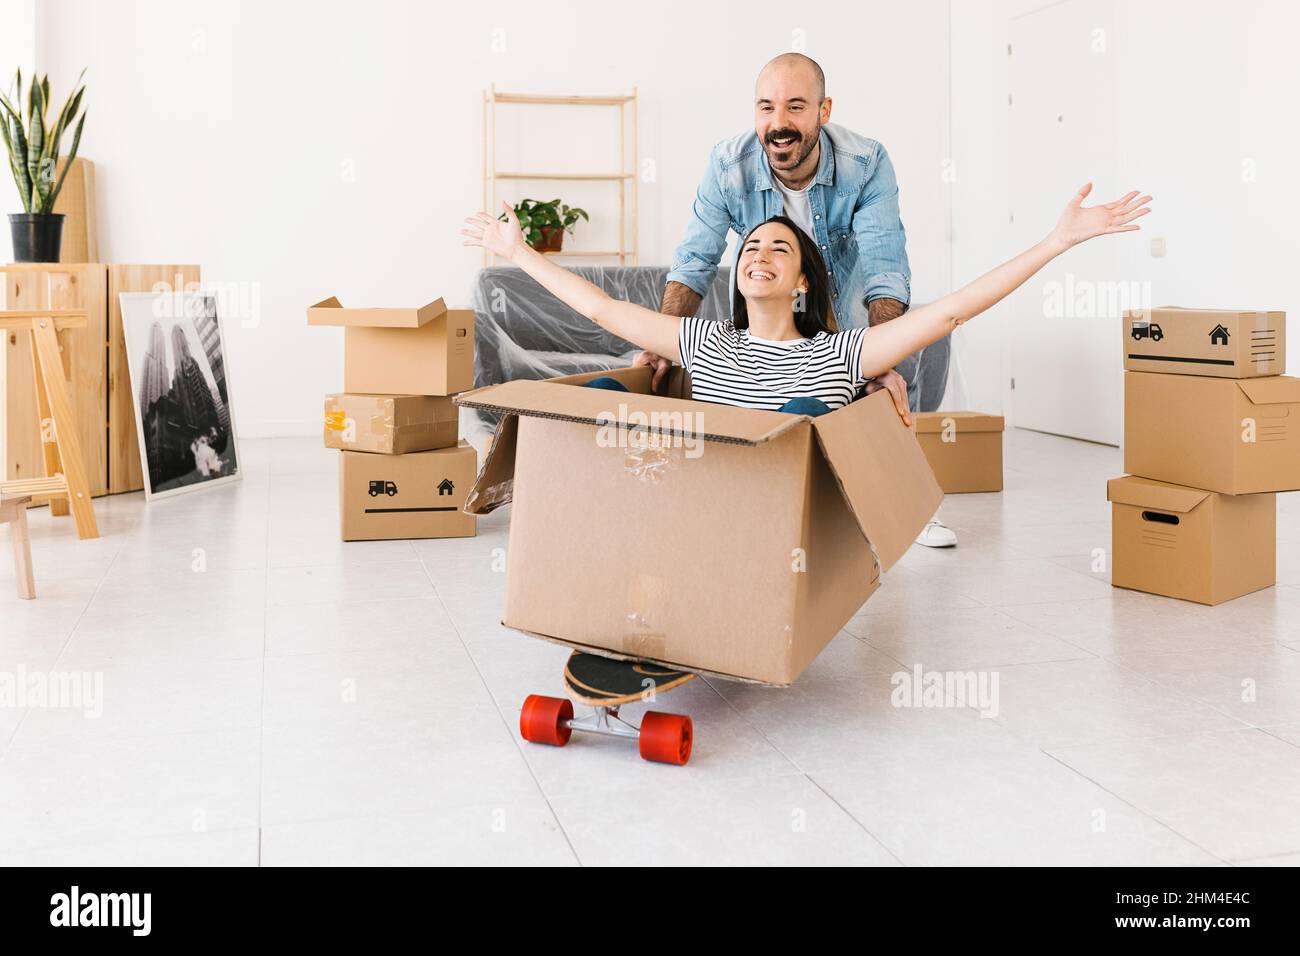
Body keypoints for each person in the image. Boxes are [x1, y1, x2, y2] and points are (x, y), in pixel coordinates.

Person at [461, 182, 1150, 437]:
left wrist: (1058, 241)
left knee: (801, 418)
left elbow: (948, 314)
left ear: (800, 285)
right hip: (695, 495)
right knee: (607, 393)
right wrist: (518, 254)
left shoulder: (841, 353)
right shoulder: (705, 342)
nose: (758, 252)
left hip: (785, 518)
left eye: (778, 249)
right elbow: (607, 311)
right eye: (751, 245)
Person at [641, 53, 956, 544]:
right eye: (766, 108)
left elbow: (884, 269)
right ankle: (760, 500)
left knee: (869, 390)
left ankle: (899, 505)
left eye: (795, 107)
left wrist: (880, 358)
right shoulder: (728, 165)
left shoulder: (866, 163)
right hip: (766, 304)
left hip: (842, 299)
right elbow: (693, 261)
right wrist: (662, 343)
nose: (778, 123)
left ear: (823, 111)